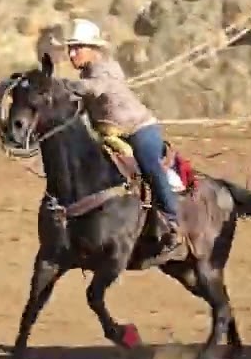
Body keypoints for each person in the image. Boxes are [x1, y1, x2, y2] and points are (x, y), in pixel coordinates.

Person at [57, 18, 182, 244]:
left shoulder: (106, 70)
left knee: (149, 165)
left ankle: (172, 221)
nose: (72, 53)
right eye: (70, 48)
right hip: (112, 136)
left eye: (77, 48)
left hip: (140, 130)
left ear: (94, 49)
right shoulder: (86, 75)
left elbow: (93, 89)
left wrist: (62, 86)